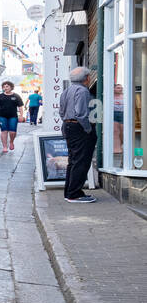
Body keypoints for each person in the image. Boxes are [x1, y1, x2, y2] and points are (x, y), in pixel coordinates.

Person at [59, 66, 97, 203]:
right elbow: (81, 113)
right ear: (87, 78)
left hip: (69, 125)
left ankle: (69, 192)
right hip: (79, 127)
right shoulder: (82, 91)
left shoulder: (66, 91)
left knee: (73, 160)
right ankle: (75, 194)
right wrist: (88, 129)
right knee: (81, 160)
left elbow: (62, 112)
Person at [0, 81, 24, 152]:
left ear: (11, 87)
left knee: (12, 132)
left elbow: (20, 107)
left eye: (7, 86)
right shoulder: (0, 96)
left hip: (13, 116)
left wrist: (21, 116)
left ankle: (11, 141)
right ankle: (5, 147)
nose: (5, 88)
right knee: (4, 131)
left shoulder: (16, 96)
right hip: (1, 116)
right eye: (4, 87)